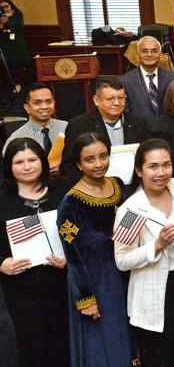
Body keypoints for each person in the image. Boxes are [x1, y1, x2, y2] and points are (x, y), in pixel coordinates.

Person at [57, 132, 138, 366]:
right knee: (106, 340)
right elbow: (73, 257)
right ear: (78, 163)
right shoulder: (70, 203)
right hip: (98, 281)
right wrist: (86, 298)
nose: (99, 164)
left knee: (128, 333)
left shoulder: (118, 185)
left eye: (103, 156)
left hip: (125, 271)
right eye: (90, 159)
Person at [113, 139, 174, 367]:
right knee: (162, 355)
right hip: (156, 290)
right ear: (139, 170)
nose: (161, 173)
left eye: (166, 165)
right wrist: (157, 245)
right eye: (153, 166)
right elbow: (122, 260)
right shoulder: (131, 210)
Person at [0, 138, 69, 366]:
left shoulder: (63, 191)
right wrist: (2, 263)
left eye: (32, 160)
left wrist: (69, 258)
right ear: (9, 166)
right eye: (19, 162)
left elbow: (79, 232)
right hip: (22, 288)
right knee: (33, 347)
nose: (27, 166)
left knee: (63, 344)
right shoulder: (3, 198)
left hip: (62, 282)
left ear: (43, 161)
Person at [62, 77, 151, 181]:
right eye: (110, 99)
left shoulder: (139, 123)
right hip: (95, 188)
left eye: (121, 98)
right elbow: (68, 166)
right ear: (96, 100)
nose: (117, 103)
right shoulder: (79, 125)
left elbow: (148, 157)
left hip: (134, 186)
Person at [2, 82, 67, 160]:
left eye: (48, 101)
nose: (44, 106)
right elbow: (10, 168)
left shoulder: (67, 128)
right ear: (27, 108)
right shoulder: (16, 138)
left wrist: (64, 166)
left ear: (54, 103)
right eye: (37, 103)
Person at [121, 35, 174, 121]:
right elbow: (125, 114)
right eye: (144, 51)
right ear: (137, 54)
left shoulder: (173, 78)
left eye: (154, 51)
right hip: (139, 131)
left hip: (168, 131)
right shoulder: (124, 81)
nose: (149, 54)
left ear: (160, 54)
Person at [0, 0, 29, 91]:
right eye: (2, 7)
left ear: (10, 4)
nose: (5, 9)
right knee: (8, 63)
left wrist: (7, 29)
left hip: (17, 42)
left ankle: (19, 83)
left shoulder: (18, 13)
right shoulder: (1, 16)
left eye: (6, 6)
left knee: (18, 63)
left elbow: (20, 27)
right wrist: (2, 24)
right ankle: (10, 84)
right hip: (5, 42)